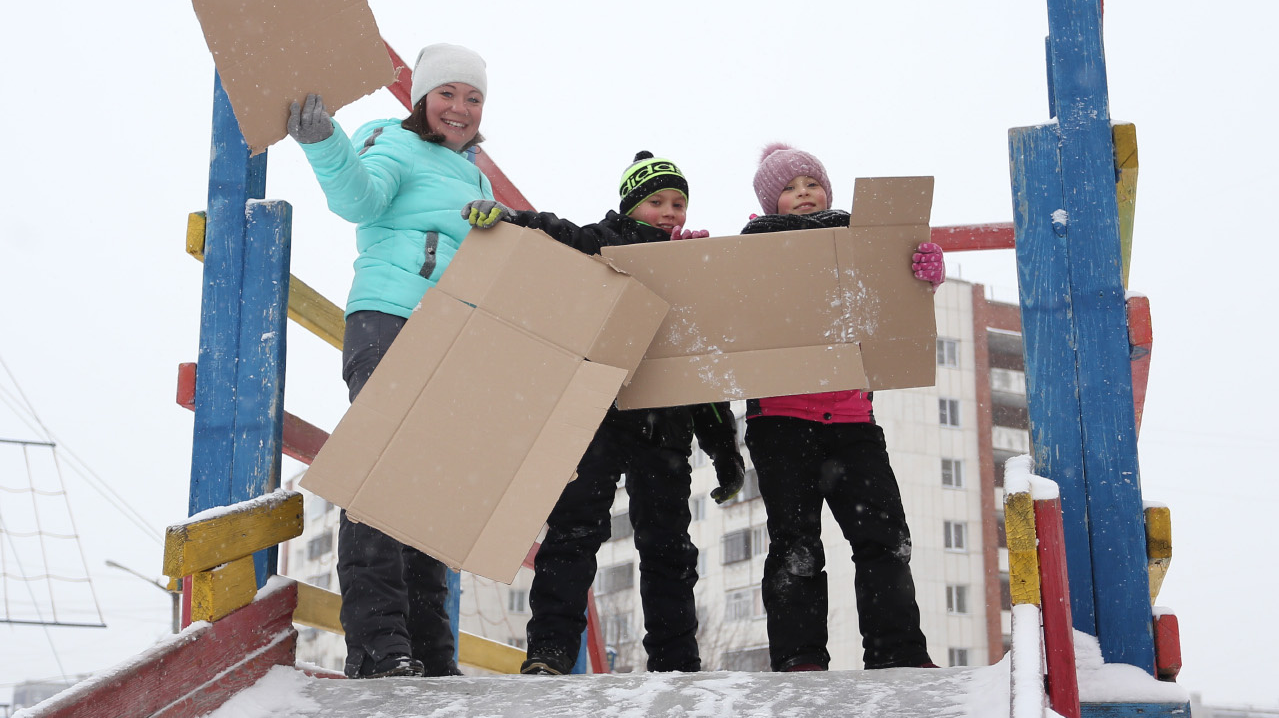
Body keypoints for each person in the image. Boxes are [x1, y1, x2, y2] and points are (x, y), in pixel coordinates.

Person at [462, 152, 746, 675]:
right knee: (572, 531)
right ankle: (549, 651)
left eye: (678, 203)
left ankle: (675, 658)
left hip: (667, 424)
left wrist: (725, 450)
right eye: (656, 201)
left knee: (669, 546)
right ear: (631, 205)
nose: (669, 212)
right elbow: (555, 234)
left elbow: (705, 369)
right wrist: (509, 219)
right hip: (598, 415)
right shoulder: (602, 243)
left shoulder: (693, 267)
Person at [288, 43, 496, 679]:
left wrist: (501, 226)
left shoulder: (478, 177)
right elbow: (361, 200)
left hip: (451, 333)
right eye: (447, 94)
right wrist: (326, 143)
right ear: (422, 99)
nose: (459, 108)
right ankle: (380, 648)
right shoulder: (391, 143)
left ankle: (430, 652)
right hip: (390, 318)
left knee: (428, 494)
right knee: (380, 482)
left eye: (473, 97)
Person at [738, 141, 946, 672]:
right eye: (788, 188)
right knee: (796, 547)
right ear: (769, 203)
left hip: (852, 418)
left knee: (886, 541)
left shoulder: (863, 242)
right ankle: (799, 659)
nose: (803, 193)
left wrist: (920, 276)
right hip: (781, 419)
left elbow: (894, 309)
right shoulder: (752, 249)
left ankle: (897, 653)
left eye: (812, 183)